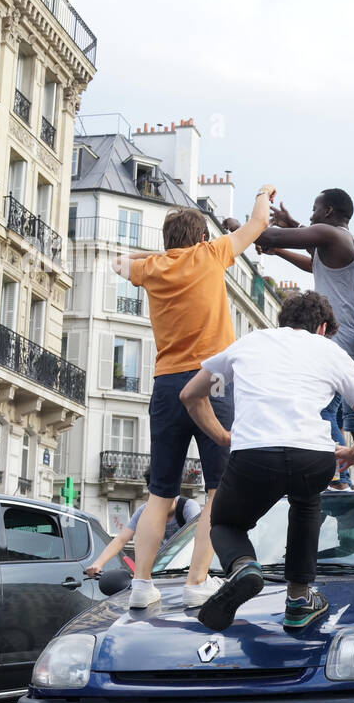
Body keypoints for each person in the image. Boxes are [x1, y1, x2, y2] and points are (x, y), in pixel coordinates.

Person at [179, 291, 354, 632]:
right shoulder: (330, 352)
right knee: (306, 502)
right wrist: (353, 452)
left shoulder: (249, 343)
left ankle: (244, 565)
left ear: (282, 321)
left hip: (254, 454)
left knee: (225, 524)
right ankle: (298, 599)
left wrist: (222, 436)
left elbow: (191, 394)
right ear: (322, 327)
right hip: (313, 455)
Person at [113, 186, 275, 610]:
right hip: (213, 382)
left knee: (160, 494)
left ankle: (142, 584)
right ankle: (195, 581)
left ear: (168, 241)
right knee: (216, 490)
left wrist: (152, 258)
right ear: (202, 238)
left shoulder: (151, 268)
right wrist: (262, 192)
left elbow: (119, 263)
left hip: (166, 385)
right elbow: (258, 225)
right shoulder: (211, 254)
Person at [256, 191, 354, 487]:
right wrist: (279, 248)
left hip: (336, 341)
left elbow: (274, 237)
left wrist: (244, 225)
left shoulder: (332, 235)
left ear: (328, 211)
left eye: (315, 209)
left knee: (322, 409)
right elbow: (312, 263)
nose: (312, 214)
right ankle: (343, 475)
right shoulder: (341, 242)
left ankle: (338, 477)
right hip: (349, 343)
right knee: (340, 417)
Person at [86, 494, 200, 578]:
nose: (159, 505)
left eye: (164, 497)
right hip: (158, 571)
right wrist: (98, 563)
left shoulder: (188, 507)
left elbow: (197, 540)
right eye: (156, 498)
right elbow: (121, 539)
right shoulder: (145, 510)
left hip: (185, 570)